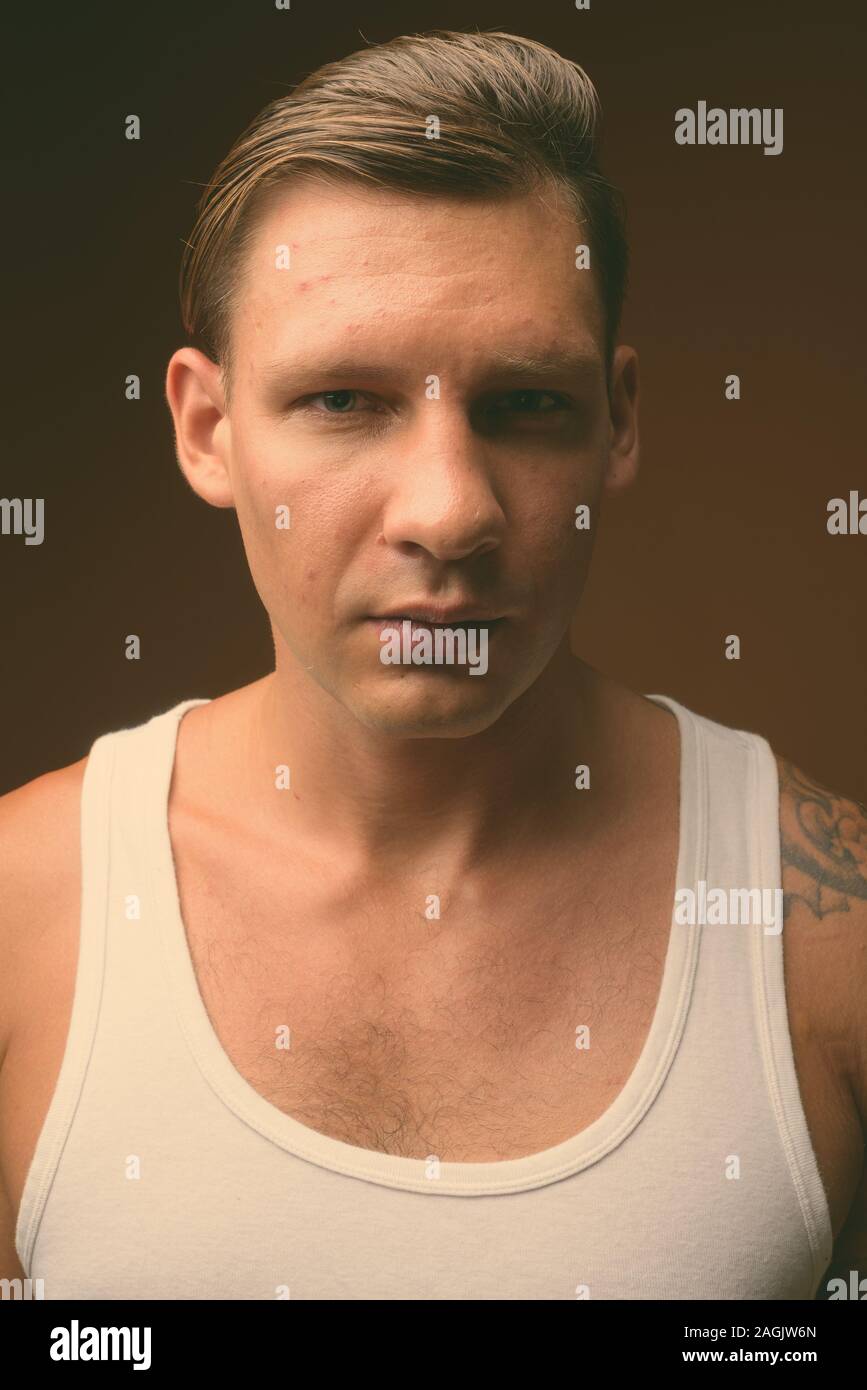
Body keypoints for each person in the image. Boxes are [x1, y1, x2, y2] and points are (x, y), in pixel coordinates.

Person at [1, 28, 864, 1301]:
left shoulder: (828, 936)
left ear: (618, 421)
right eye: (343, 401)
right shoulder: (24, 916)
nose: (450, 512)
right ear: (207, 428)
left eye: (525, 403)